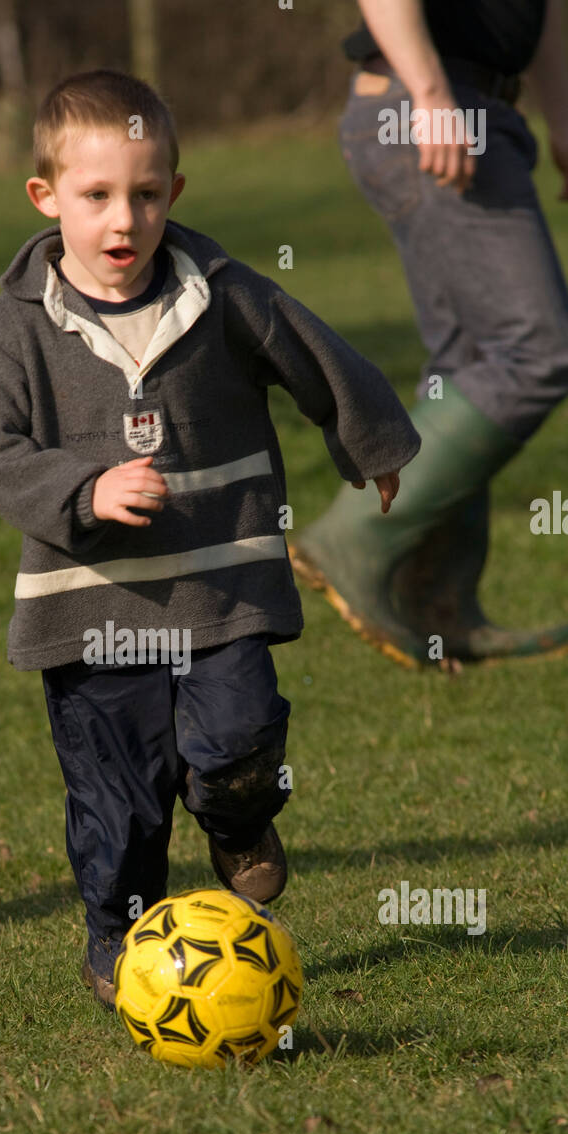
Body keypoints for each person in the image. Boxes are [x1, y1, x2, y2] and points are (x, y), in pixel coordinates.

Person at [0, 69, 419, 1009]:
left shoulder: (220, 294)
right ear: (46, 199)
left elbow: (314, 353)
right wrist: (81, 487)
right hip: (90, 613)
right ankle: (118, 942)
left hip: (224, 585)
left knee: (239, 739)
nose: (122, 218)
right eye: (95, 197)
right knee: (119, 803)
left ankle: (239, 824)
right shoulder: (16, 328)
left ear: (174, 192)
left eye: (145, 193)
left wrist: (369, 441)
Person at [291, 0, 568, 668]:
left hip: (470, 103)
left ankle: (437, 607)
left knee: (468, 358)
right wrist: (432, 93)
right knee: (538, 351)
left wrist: (561, 116)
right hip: (427, 100)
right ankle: (350, 540)